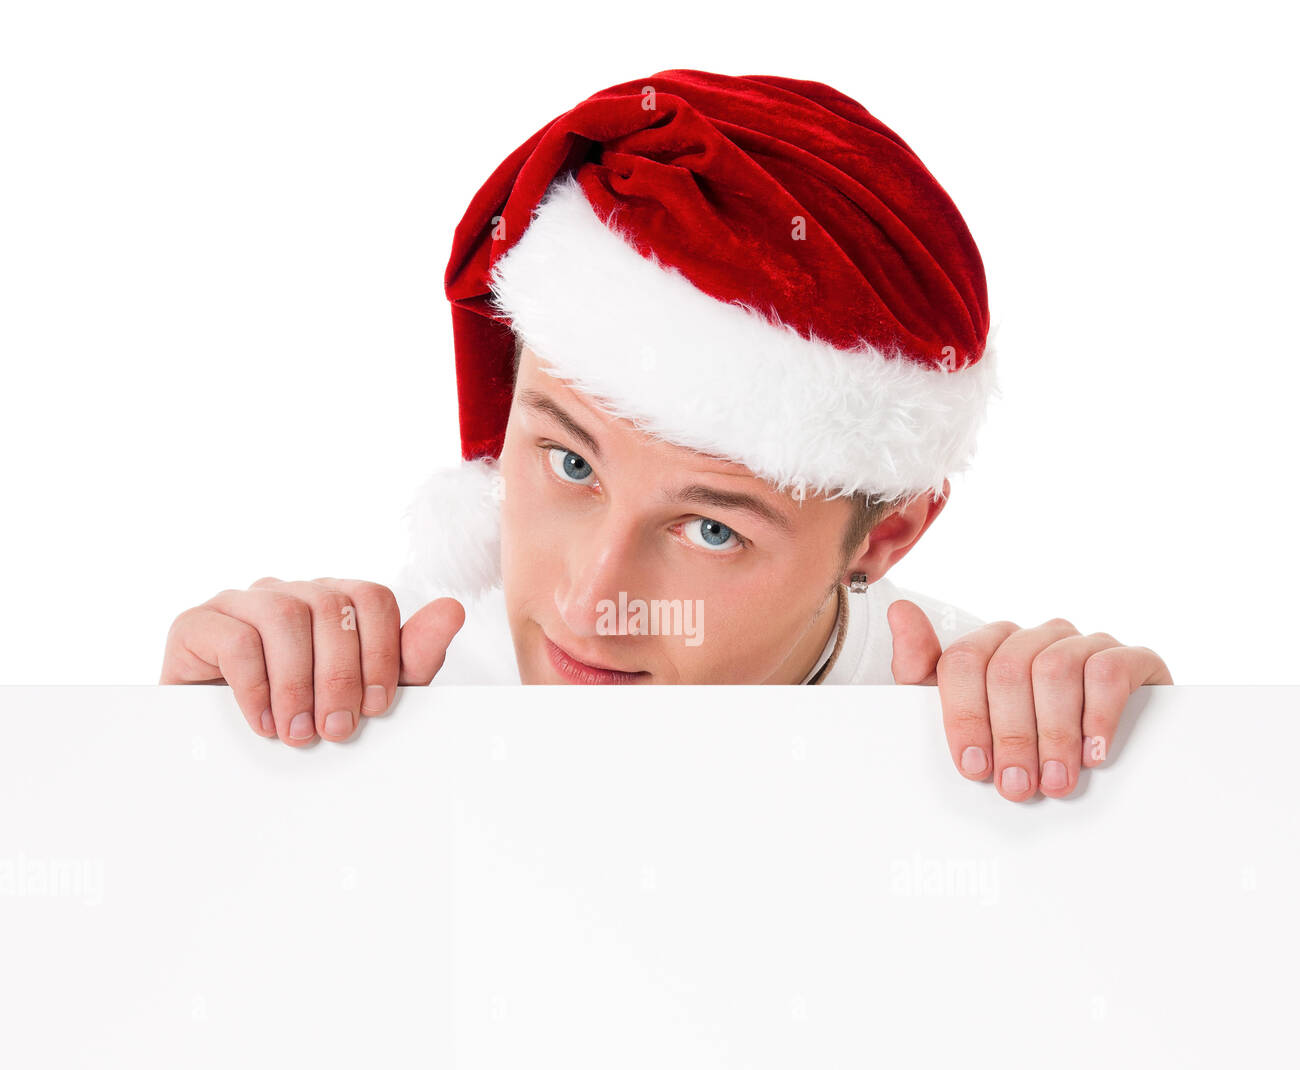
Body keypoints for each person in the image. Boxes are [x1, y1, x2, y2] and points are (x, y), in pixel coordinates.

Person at [159, 71, 1172, 802]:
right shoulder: (359, 699)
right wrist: (185, 780)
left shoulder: (981, 731)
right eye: (569, 462)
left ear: (885, 536)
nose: (588, 602)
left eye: (712, 528)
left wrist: (1155, 796)